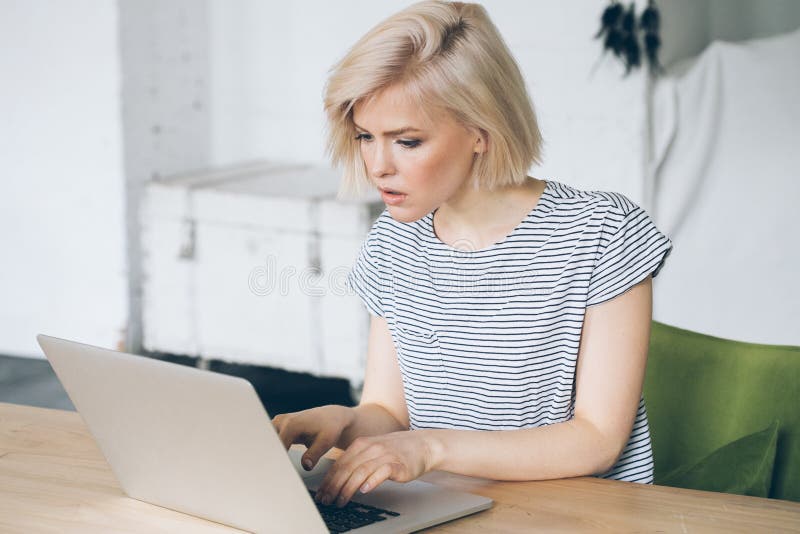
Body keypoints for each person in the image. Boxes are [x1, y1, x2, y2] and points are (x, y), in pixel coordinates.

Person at [272, 0, 672, 508]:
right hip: (442, 510)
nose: (378, 165)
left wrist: (432, 447)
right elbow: (388, 412)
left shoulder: (602, 233)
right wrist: (346, 422)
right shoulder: (393, 244)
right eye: (365, 137)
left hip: (576, 515)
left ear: (481, 131)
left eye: (408, 141)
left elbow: (597, 439)